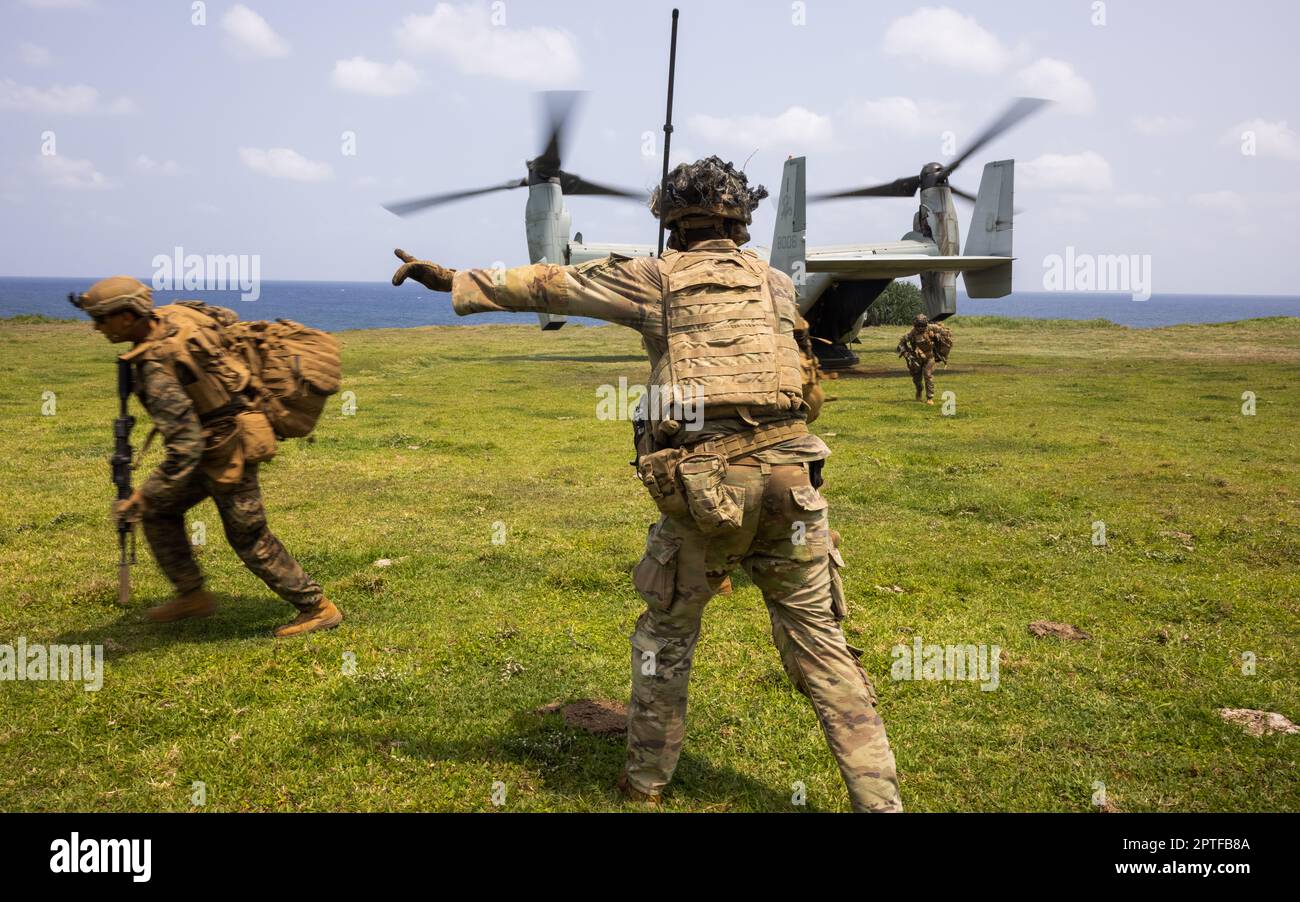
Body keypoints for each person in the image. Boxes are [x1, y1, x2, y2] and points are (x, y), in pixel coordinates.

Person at [391, 156, 902, 812]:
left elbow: (551, 285)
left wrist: (454, 279)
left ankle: (645, 785)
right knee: (823, 648)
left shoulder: (655, 278)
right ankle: (881, 803)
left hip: (705, 491)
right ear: (741, 219)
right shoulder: (776, 284)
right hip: (794, 485)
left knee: (667, 637)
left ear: (671, 219)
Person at [71, 276, 342, 637]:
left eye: (101, 319)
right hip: (219, 438)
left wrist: (143, 493)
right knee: (159, 511)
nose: (97, 327)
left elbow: (185, 445)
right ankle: (192, 595)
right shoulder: (179, 314)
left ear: (126, 316)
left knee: (248, 535)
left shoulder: (155, 364)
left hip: (227, 448)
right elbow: (226, 318)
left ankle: (317, 608)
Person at [897, 313, 952, 404]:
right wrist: (905, 353)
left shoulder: (932, 328)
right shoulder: (912, 332)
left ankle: (929, 398)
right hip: (916, 358)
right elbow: (900, 344)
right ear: (915, 325)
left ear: (926, 324)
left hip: (929, 357)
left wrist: (935, 336)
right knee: (916, 378)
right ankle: (919, 391)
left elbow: (946, 333)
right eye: (918, 326)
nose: (920, 328)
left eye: (922, 326)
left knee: (927, 374)